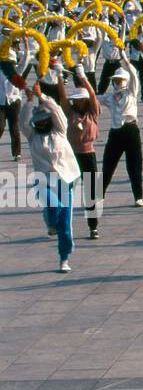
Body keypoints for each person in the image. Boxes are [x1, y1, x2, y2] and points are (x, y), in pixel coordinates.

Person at [19, 85, 81, 272]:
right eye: (38, 122)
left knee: (65, 223)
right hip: (44, 181)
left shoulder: (59, 130)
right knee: (55, 207)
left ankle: (64, 257)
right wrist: (30, 100)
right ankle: (49, 220)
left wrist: (42, 96)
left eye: (44, 121)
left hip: (65, 178)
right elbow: (23, 121)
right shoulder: (32, 136)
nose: (41, 124)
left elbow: (58, 112)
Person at [56, 67, 101, 239]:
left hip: (88, 154)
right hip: (72, 156)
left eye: (81, 99)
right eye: (77, 100)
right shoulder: (70, 112)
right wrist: (60, 76)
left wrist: (83, 76)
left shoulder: (93, 113)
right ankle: (59, 223)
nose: (78, 102)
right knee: (65, 191)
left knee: (90, 192)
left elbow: (93, 94)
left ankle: (93, 226)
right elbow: (62, 97)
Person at [101, 65, 143, 208]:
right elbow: (93, 97)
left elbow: (134, 74)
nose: (117, 83)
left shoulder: (131, 92)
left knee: (134, 166)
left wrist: (125, 58)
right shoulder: (110, 97)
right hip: (115, 133)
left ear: (126, 81)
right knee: (108, 166)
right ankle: (98, 196)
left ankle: (138, 197)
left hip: (131, 130)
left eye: (120, 80)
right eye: (116, 80)